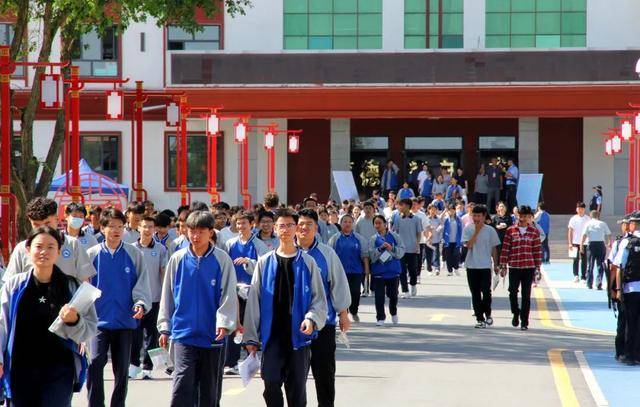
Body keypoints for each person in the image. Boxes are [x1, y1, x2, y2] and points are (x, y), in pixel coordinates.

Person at [0, 226, 97, 406]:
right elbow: (1, 324)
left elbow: (89, 329)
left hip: (59, 369)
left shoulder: (72, 287)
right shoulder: (14, 286)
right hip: (21, 368)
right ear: (28, 250)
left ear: (59, 252)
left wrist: (74, 321)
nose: (44, 251)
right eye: (38, 246)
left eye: (51, 247)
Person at [244, 208, 328, 407]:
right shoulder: (264, 263)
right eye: (282, 225)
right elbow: (254, 301)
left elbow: (319, 299)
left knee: (296, 392)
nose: (286, 229)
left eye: (291, 225)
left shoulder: (308, 262)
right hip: (271, 337)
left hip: (298, 338)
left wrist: (311, 318)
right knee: (270, 387)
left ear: (296, 229)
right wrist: (251, 337)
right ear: (275, 228)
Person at [157, 211, 238, 406]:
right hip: (182, 333)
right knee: (182, 384)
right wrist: (165, 326)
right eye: (192, 231)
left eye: (201, 231)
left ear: (211, 232)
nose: (195, 236)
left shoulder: (222, 260)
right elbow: (167, 295)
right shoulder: (177, 259)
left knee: (209, 390)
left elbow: (228, 294)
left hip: (212, 335)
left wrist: (224, 323)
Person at [86, 208, 152, 407]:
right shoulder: (92, 254)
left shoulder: (134, 254)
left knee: (121, 370)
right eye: (112, 226)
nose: (116, 230)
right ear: (102, 228)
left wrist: (140, 304)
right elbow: (84, 288)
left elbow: (142, 283)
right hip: (97, 322)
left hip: (124, 321)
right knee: (94, 364)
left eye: (120, 226)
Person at [296, 209, 351, 407]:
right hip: (294, 325)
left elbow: (338, 284)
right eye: (301, 224)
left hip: (323, 324)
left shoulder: (327, 253)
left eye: (309, 224)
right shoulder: (286, 252)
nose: (304, 228)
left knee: (324, 373)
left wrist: (343, 314)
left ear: (316, 228)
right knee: (295, 377)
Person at [4, 197, 96, 283]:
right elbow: (10, 284)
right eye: (36, 225)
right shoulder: (22, 249)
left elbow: (85, 283)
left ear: (56, 218)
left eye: (47, 223)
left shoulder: (73, 244)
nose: (43, 229)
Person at [224, 211, 269, 375]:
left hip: (252, 289)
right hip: (234, 289)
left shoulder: (259, 245)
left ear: (252, 225)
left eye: (244, 223)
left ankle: (254, 360)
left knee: (251, 325)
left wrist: (248, 261)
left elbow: (265, 266)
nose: (240, 226)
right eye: (238, 223)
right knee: (234, 325)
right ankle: (231, 362)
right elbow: (224, 263)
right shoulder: (230, 243)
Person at [129, 216, 168, 380]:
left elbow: (164, 272)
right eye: (144, 226)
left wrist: (166, 295)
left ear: (154, 229)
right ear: (138, 228)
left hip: (155, 298)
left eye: (150, 227)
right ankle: (133, 365)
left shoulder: (160, 249)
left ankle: (148, 367)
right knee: (135, 334)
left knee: (152, 335)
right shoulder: (131, 248)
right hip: (136, 299)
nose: (147, 230)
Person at [499, 205, 542, 331]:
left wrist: (538, 268)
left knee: (526, 295)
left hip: (528, 267)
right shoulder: (510, 230)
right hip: (514, 266)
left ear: (530, 217)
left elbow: (537, 251)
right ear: (518, 216)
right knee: (512, 291)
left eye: (526, 216)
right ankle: (515, 312)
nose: (523, 218)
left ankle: (524, 321)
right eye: (521, 216)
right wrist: (503, 265)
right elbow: (505, 249)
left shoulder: (534, 232)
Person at [462, 205, 501, 328]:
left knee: (486, 291)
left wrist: (496, 264)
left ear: (484, 216)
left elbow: (494, 248)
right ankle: (480, 318)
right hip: (471, 265)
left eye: (479, 216)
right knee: (475, 293)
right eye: (474, 216)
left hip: (485, 266)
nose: (476, 218)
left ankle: (488, 314)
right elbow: (468, 245)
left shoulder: (490, 230)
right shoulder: (468, 229)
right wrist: (477, 231)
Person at [328, 214, 369, 323]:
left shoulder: (359, 238)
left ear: (353, 224)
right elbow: (329, 255)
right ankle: (343, 314)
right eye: (345, 221)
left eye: (350, 222)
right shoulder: (335, 238)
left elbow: (364, 255)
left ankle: (354, 311)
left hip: (356, 271)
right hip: (339, 272)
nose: (347, 224)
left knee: (355, 292)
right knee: (341, 294)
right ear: (341, 224)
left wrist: (366, 269)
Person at [612, 212, 640, 365]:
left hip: (631, 288)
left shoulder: (627, 242)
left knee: (630, 322)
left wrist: (617, 289)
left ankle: (628, 355)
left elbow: (619, 267)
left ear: (633, 225)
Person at [369, 215, 405, 326]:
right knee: (379, 297)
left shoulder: (395, 236)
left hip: (393, 272)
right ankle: (380, 318)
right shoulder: (373, 239)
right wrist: (380, 249)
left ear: (385, 224)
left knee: (393, 295)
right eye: (376, 223)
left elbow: (402, 251)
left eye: (380, 223)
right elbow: (371, 255)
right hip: (379, 273)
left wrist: (392, 248)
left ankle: (393, 312)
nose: (378, 225)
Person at [609, 215, 632, 362]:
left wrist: (613, 289)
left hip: (624, 287)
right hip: (627, 287)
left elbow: (613, 268)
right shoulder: (620, 242)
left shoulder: (622, 243)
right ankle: (626, 351)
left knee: (624, 321)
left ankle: (623, 351)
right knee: (628, 321)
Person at [392, 199, 423, 298]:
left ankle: (413, 285)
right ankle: (405, 291)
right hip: (401, 249)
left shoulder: (416, 219)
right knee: (402, 271)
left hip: (412, 248)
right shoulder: (397, 219)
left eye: (402, 205)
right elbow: (395, 232)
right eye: (399, 205)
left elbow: (419, 233)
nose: (400, 207)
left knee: (413, 270)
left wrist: (417, 245)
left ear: (408, 206)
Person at [580, 210, 611, 290]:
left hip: (591, 244)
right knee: (600, 264)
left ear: (590, 216)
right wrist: (608, 243)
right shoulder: (602, 223)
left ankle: (589, 283)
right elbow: (609, 233)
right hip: (601, 244)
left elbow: (584, 235)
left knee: (590, 264)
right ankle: (599, 283)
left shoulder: (588, 223)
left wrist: (581, 245)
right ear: (598, 216)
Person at [568, 202, 590, 283]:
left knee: (584, 260)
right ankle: (576, 275)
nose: (580, 210)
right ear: (576, 209)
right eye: (578, 208)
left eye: (581, 208)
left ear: (584, 209)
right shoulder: (573, 218)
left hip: (585, 243)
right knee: (575, 259)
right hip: (575, 242)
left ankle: (583, 277)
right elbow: (570, 231)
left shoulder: (588, 219)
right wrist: (570, 243)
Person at [442, 204, 463, 277]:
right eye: (450, 210)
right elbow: (441, 220)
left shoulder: (458, 219)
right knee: (448, 256)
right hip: (447, 241)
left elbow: (461, 229)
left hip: (456, 240)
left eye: (453, 210)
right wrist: (444, 211)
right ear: (448, 211)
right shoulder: (446, 219)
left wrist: (461, 239)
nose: (451, 211)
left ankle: (456, 268)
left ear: (455, 210)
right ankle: (450, 270)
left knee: (456, 255)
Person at [425, 204, 443, 275]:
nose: (433, 211)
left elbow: (441, 225)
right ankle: (429, 269)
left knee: (436, 254)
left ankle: (437, 268)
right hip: (428, 240)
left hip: (436, 239)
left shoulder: (438, 218)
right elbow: (424, 228)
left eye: (435, 210)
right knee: (428, 255)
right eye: (432, 209)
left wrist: (439, 228)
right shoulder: (426, 218)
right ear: (428, 210)